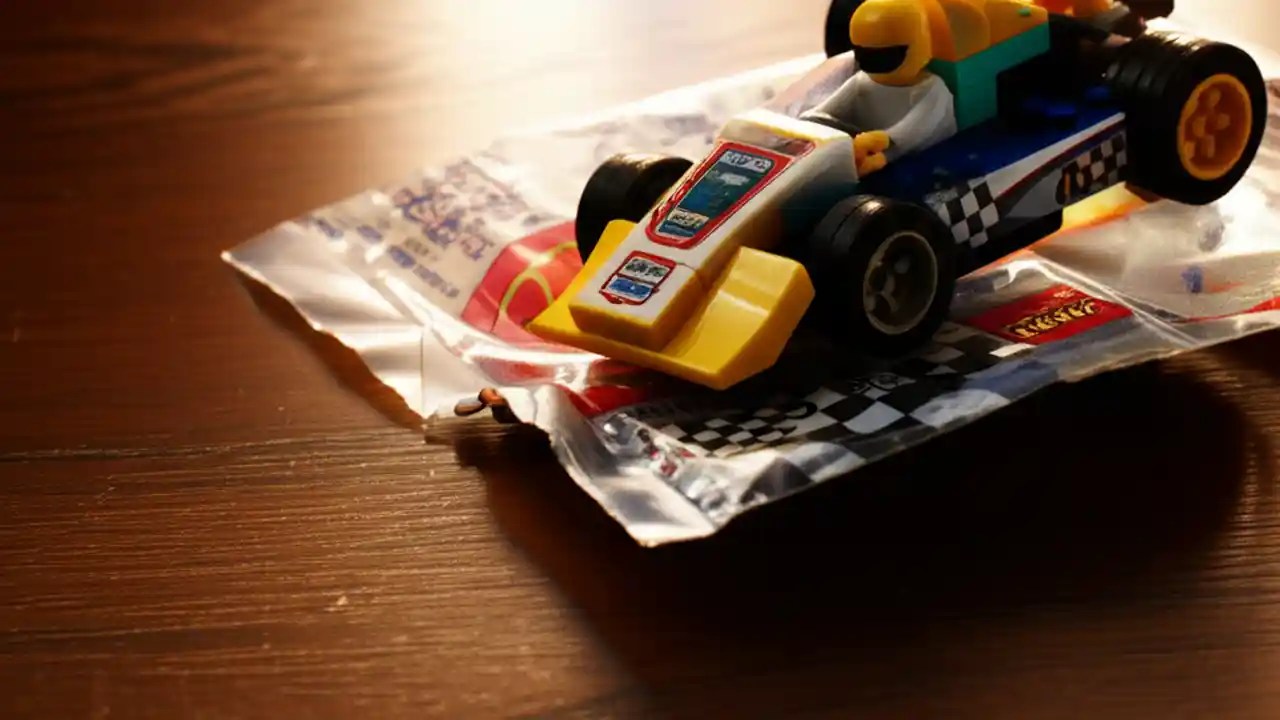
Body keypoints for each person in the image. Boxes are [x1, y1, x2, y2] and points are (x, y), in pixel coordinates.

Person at [802, 0, 958, 177]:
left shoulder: (931, 89)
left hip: (915, 152)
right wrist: (807, 123)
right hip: (867, 145)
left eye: (886, 55)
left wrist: (885, 141)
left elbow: (917, 126)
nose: (876, 62)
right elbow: (829, 110)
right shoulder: (862, 82)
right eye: (866, 54)